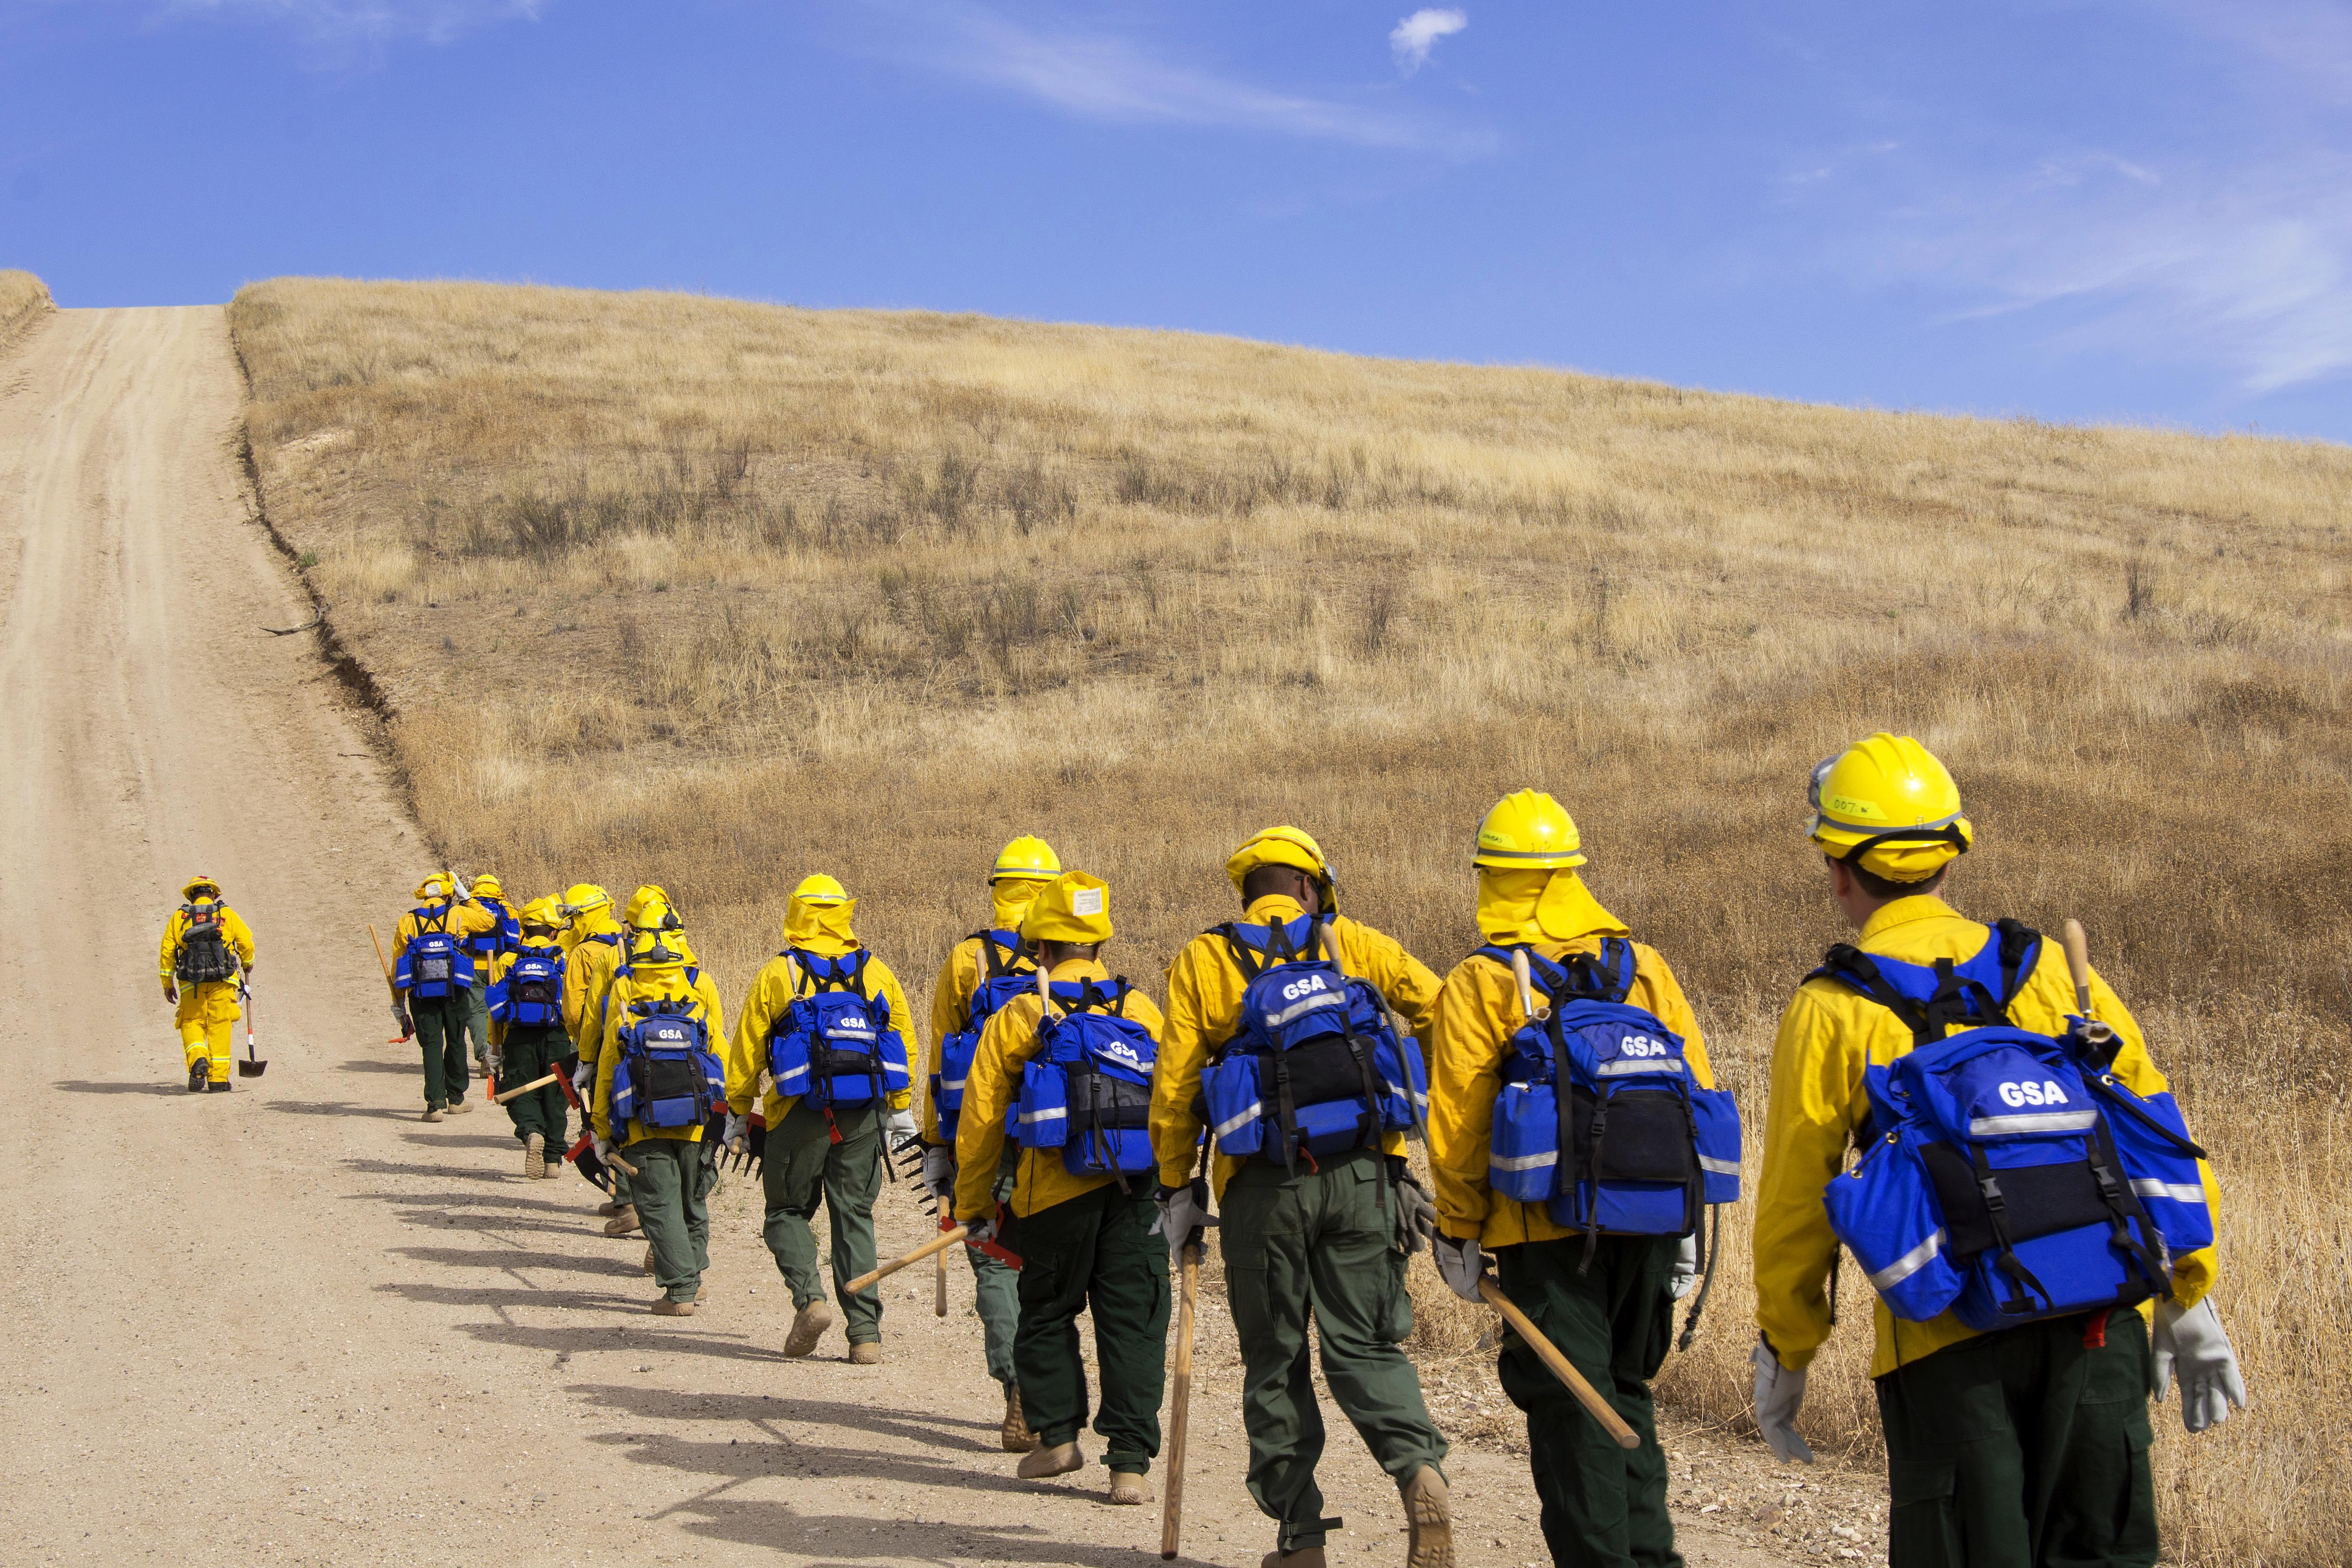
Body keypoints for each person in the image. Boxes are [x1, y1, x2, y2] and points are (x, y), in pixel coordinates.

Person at [1750, 733, 2242, 1568]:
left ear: (1835, 867)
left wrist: (1786, 1345)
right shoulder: (2047, 967)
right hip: (2097, 1322)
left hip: (1949, 1341)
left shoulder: (1831, 1005)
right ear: (1950, 855)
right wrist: (2185, 1294)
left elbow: (1797, 1202)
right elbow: (2152, 1127)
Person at [1427, 792, 1725, 1568]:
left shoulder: (1480, 979)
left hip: (1545, 1231)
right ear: (1569, 872)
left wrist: (1457, 1230)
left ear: (1491, 876)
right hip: (1655, 1214)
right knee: (1625, 1392)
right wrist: (1687, 1221)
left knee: (1572, 1410)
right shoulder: (1642, 964)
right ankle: (1653, 1558)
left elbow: (1458, 1123)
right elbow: (1696, 1088)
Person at [1151, 826, 1454, 1568]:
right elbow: (1447, 1012)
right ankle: (1417, 1465)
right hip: (1362, 1178)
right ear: (1312, 886)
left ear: (1247, 890)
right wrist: (1410, 1149)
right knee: (1365, 1343)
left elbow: (1175, 1084)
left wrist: (1174, 1187)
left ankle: (1300, 1538)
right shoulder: (1356, 943)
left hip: (1261, 1187)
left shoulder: (1207, 955)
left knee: (1276, 1356)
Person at [953, 870, 1170, 1504]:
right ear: (1099, 946)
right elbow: (1178, 1099)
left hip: (1052, 1193)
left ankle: (1058, 1438)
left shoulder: (1023, 1011)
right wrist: (1180, 1189)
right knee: (1135, 1322)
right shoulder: (1139, 1007)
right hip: (1138, 1191)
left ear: (1039, 949)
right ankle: (1129, 1465)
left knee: (1046, 1313)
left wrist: (972, 1205)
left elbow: (983, 1119)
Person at [724, 874, 916, 1365]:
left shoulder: (778, 974)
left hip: (797, 1114)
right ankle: (865, 1336)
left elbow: (747, 1049)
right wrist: (901, 1108)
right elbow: (904, 1042)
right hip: (864, 1116)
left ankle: (810, 1301)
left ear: (796, 917)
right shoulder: (876, 972)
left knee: (785, 1212)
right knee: (854, 1215)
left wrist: (739, 1113)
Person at [922, 834, 1062, 1451]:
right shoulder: (1069, 956)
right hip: (1056, 1133)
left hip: (982, 1132)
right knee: (1051, 1261)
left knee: (991, 1255)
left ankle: (1016, 1384)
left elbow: (938, 1057)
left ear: (997, 888)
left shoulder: (967, 960)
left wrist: (934, 1143)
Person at [592, 898, 727, 1315]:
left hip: (641, 1122)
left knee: (657, 1201)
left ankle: (681, 1288)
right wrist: (726, 1111)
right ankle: (694, 1274)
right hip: (694, 1118)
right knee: (692, 1197)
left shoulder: (625, 992)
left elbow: (608, 1065)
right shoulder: (699, 990)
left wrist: (601, 1127)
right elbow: (718, 1049)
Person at [392, 873, 502, 1122]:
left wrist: (399, 1004)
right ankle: (456, 1100)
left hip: (420, 993)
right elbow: (488, 921)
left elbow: (398, 964)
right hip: (454, 990)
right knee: (455, 1041)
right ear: (448, 895)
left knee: (430, 1045)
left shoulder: (407, 921)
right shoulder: (456, 915)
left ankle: (435, 1106)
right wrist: (468, 898)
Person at [561, 883, 635, 1228]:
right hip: (652, 1051)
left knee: (607, 1121)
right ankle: (628, 1200)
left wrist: (583, 1051)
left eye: (572, 916)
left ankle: (627, 1201)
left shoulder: (586, 953)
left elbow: (579, 1013)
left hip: (607, 1049)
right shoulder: (663, 952)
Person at [488, 896, 571, 1178]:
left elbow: (495, 1010)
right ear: (553, 932)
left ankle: (532, 1131)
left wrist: (493, 1046)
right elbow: (571, 1003)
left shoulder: (508, 960)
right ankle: (552, 1162)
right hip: (557, 1035)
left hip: (518, 1036)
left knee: (519, 1088)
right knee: (556, 1095)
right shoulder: (564, 956)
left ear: (525, 929)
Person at [159, 875, 255, 1094]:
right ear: (213, 894)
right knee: (220, 1025)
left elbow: (167, 951)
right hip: (223, 979)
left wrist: (167, 982)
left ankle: (198, 1058)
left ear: (191, 896)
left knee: (192, 1021)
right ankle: (219, 1080)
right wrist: (248, 963)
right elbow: (246, 942)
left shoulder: (180, 916)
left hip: (190, 982)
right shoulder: (226, 914)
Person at [461, 871, 522, 1080]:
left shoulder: (466, 909)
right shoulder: (509, 910)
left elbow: (458, 939)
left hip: (473, 967)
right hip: (500, 966)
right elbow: (516, 940)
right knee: (501, 1010)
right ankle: (501, 1055)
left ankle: (484, 1055)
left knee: (476, 1011)